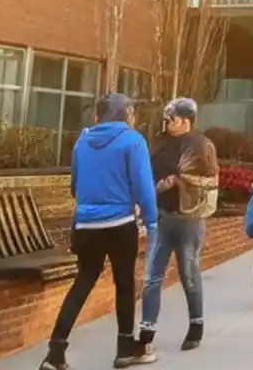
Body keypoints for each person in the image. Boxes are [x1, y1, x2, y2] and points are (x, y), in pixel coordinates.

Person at [41, 93, 158, 370]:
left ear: (99, 116)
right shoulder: (133, 141)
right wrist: (152, 221)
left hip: (86, 225)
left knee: (83, 281)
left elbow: (75, 186)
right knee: (125, 285)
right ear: (125, 114)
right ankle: (124, 350)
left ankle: (55, 351)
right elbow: (144, 186)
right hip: (119, 224)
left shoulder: (82, 141)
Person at [137, 98, 219, 358]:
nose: (168, 123)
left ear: (185, 120)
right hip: (161, 216)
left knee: (189, 273)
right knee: (152, 277)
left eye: (172, 119)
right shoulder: (158, 142)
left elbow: (206, 177)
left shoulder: (200, 144)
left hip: (189, 219)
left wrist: (177, 180)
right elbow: (147, 172)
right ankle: (146, 332)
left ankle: (196, 325)